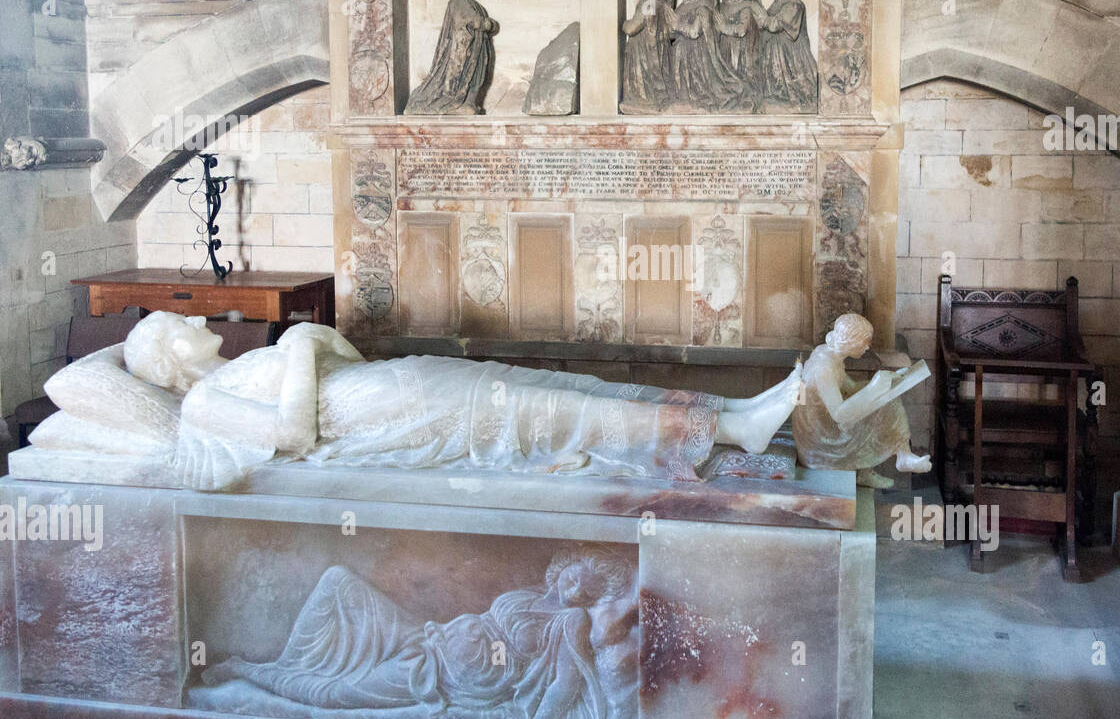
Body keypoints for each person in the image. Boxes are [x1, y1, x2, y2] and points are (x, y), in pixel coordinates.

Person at [62, 312, 802, 492]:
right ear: (168, 364)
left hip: (393, 383)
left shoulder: (245, 358)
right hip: (380, 421)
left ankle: (726, 411)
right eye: (177, 328)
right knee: (544, 420)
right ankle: (733, 428)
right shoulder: (202, 407)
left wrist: (312, 346)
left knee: (556, 389)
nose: (194, 321)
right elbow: (291, 435)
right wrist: (298, 350)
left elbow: (343, 354)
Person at [192, 547, 639, 719]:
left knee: (331, 695)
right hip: (427, 640)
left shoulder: (570, 620)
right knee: (340, 584)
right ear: (565, 566)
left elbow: (563, 685)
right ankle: (275, 666)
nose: (575, 587)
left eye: (587, 588)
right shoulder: (527, 596)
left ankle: (243, 672)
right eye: (575, 574)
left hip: (440, 682)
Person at [793, 313, 931, 488]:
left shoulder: (830, 354)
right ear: (851, 340)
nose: (867, 347)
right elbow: (839, 415)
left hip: (823, 424)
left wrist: (889, 380)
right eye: (865, 341)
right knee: (881, 406)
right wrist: (874, 388)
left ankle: (897, 457)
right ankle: (899, 457)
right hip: (819, 440)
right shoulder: (824, 367)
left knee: (885, 399)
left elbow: (849, 388)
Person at [669, 0, 754, 113]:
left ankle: (697, 97)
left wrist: (678, 26)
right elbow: (671, 31)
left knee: (702, 93)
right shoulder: (684, 5)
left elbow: (695, 32)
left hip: (697, 56)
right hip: (683, 55)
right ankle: (685, 96)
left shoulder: (703, 4)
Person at [405, 0, 497, 114]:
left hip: (476, 46)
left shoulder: (469, 5)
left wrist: (489, 25)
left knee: (478, 74)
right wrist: (486, 24)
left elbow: (488, 26)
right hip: (462, 50)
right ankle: (455, 102)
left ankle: (468, 102)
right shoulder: (457, 1)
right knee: (461, 75)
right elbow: (472, 21)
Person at [620, 0, 677, 114]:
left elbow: (633, 27)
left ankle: (646, 101)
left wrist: (624, 24)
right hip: (656, 48)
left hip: (646, 51)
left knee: (647, 82)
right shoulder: (661, 2)